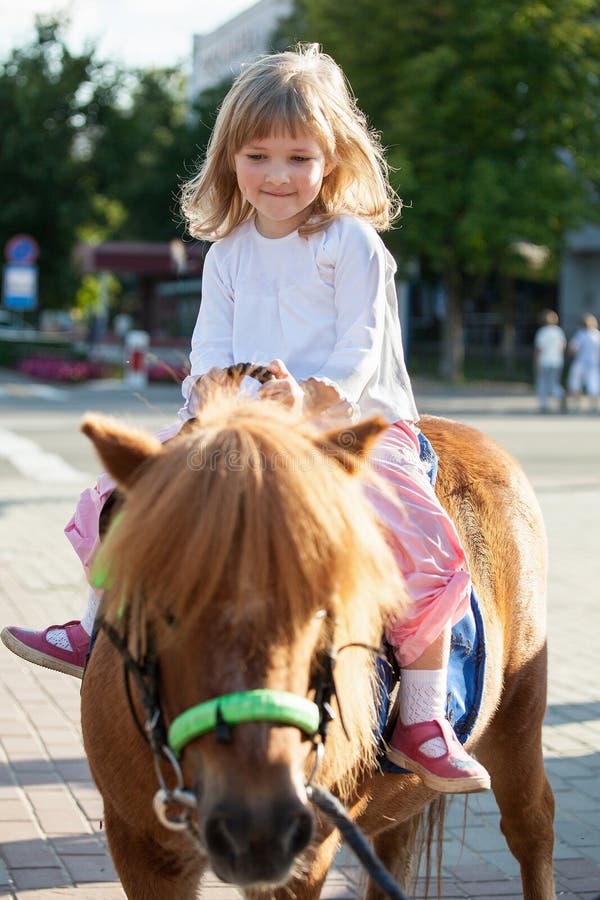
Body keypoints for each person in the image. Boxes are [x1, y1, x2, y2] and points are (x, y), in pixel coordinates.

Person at [1, 44, 490, 795]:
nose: (278, 175)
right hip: (245, 426)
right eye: (257, 155)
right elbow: (208, 351)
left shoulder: (350, 243)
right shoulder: (227, 252)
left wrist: (317, 394)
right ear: (230, 159)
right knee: (121, 497)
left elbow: (363, 345)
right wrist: (214, 388)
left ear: (334, 158)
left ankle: (423, 715)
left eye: (300, 156)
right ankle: (97, 623)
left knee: (422, 542)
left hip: (352, 428)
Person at [533, 309, 566, 413]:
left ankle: (544, 405)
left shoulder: (542, 332)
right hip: (557, 361)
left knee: (542, 383)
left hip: (544, 361)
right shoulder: (558, 331)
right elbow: (563, 346)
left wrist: (536, 363)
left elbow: (539, 349)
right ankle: (560, 394)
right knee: (553, 382)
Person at [567, 313, 600, 413]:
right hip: (593, 363)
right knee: (593, 384)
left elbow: (573, 349)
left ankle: (576, 405)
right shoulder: (597, 335)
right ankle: (594, 406)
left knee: (576, 383)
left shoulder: (580, 334)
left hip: (580, 363)